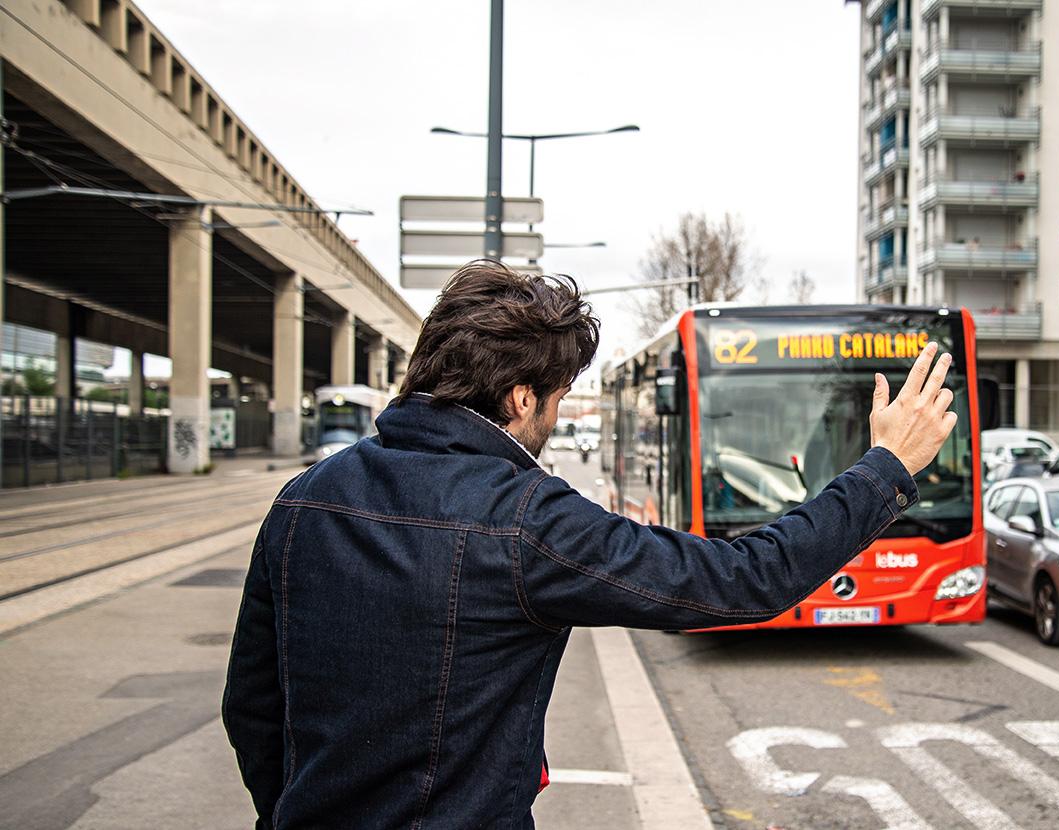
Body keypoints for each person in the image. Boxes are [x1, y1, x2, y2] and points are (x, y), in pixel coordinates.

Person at [221, 260, 956, 829]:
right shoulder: (525, 519)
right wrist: (884, 470)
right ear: (520, 398)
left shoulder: (306, 496)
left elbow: (252, 704)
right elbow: (744, 580)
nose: (558, 408)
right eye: (560, 393)